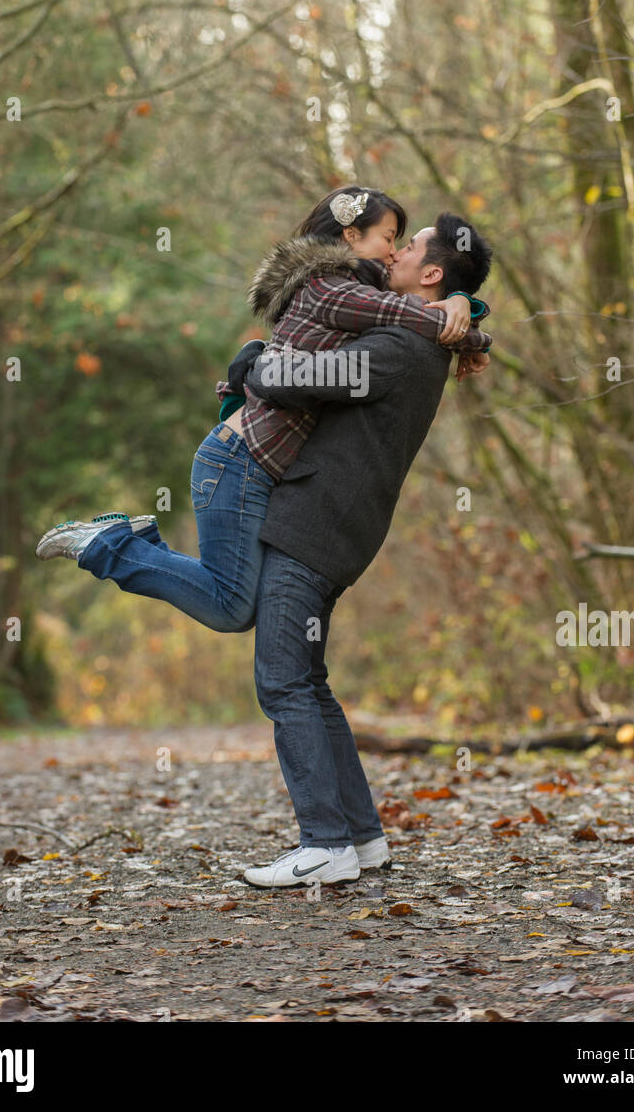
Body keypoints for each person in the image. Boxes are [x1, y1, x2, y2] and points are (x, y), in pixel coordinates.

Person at [35, 189, 492, 637]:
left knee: (238, 603)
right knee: (232, 608)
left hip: (251, 461)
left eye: (401, 243)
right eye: (389, 237)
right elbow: (417, 317)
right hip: (240, 460)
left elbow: (407, 312)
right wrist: (465, 320)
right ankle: (104, 546)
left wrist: (466, 313)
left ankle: (136, 544)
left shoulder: (353, 291)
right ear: (351, 238)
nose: (393, 253)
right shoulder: (329, 289)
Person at [233, 212, 493, 887]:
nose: (396, 252)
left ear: (431, 272)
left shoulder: (399, 350)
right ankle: (361, 837)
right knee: (310, 685)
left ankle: (322, 845)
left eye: (409, 247)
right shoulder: (421, 338)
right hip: (339, 528)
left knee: (283, 681)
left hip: (313, 525)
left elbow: (293, 382)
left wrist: (255, 362)